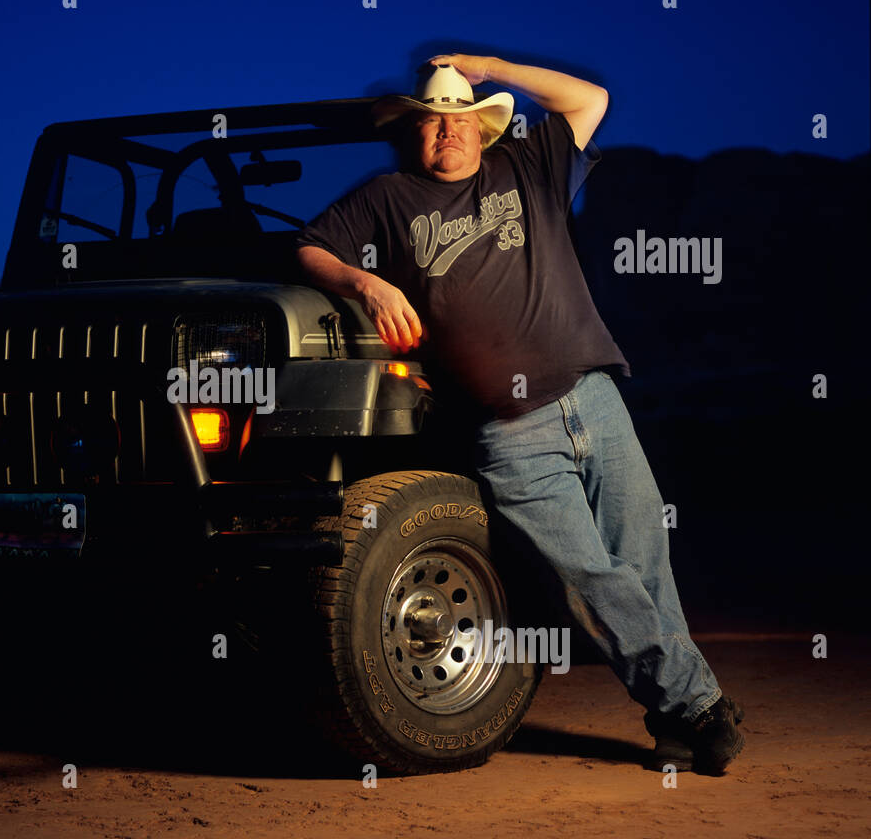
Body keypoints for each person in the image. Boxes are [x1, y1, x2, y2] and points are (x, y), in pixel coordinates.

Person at [293, 52, 745, 774]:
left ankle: (674, 714)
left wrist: (491, 66)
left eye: (461, 120)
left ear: (484, 128)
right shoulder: (387, 198)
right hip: (508, 434)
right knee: (587, 577)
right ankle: (700, 705)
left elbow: (590, 98)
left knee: (643, 561)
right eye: (432, 122)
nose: (448, 131)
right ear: (414, 132)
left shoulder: (529, 167)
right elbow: (308, 248)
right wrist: (368, 284)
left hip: (592, 396)